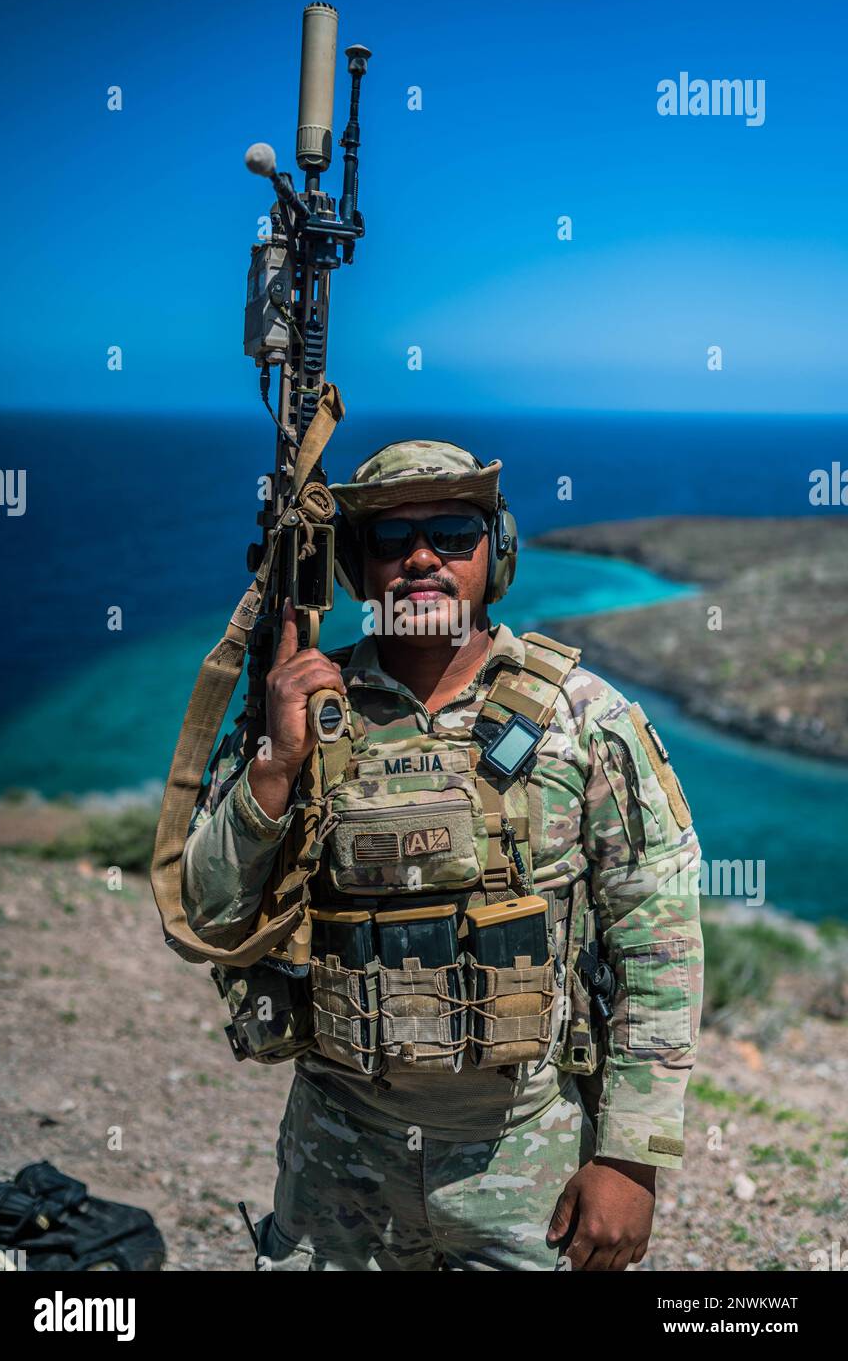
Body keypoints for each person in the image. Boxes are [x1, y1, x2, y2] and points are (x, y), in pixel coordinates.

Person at [179, 440, 703, 1272]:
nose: (422, 558)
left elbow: (658, 934)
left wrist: (630, 1156)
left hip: (523, 1155)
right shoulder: (302, 713)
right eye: (392, 540)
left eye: (455, 532)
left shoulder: (584, 718)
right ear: (358, 567)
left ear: (498, 552)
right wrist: (275, 767)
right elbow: (205, 915)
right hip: (338, 1150)